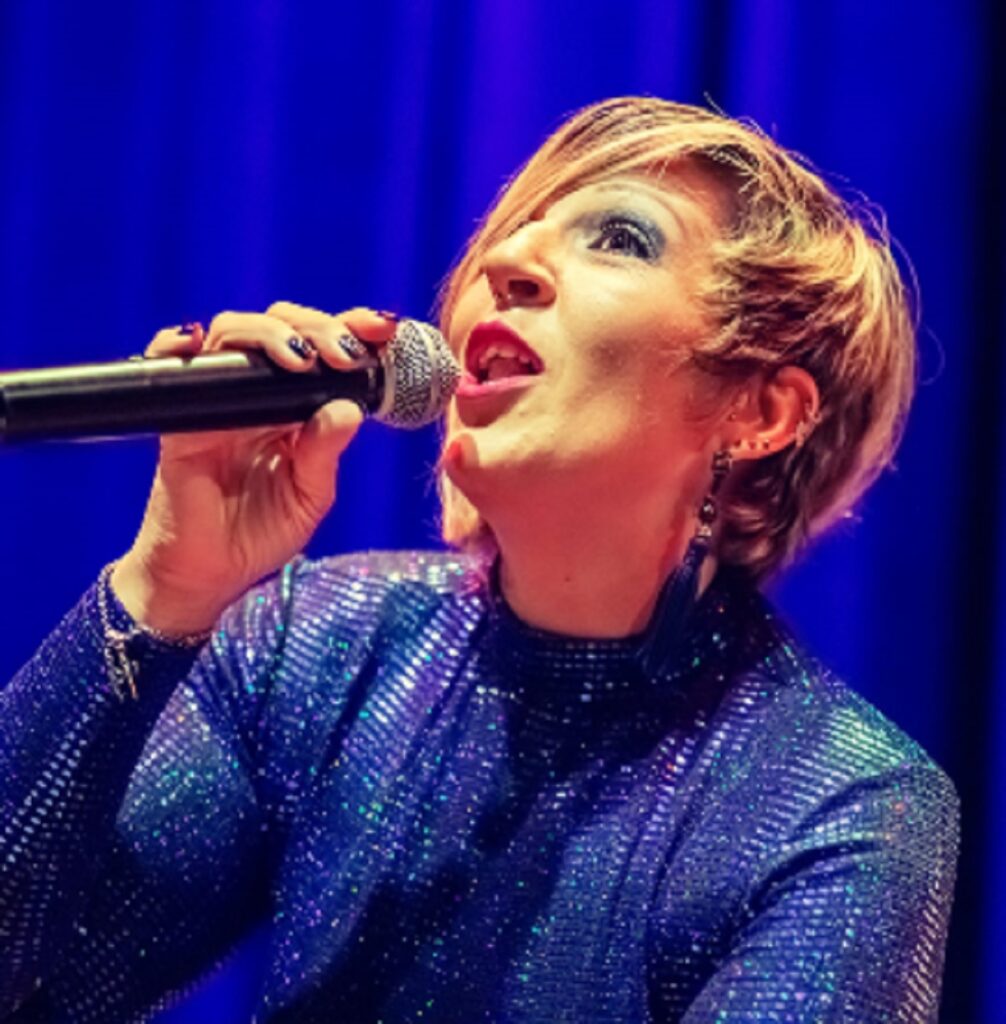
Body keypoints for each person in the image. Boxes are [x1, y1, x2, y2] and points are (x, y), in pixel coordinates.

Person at [0, 97, 958, 1023]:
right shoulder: (316, 647)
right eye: (512, 231)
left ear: (759, 411)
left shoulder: (841, 804)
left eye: (619, 239)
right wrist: (164, 587)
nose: (505, 260)